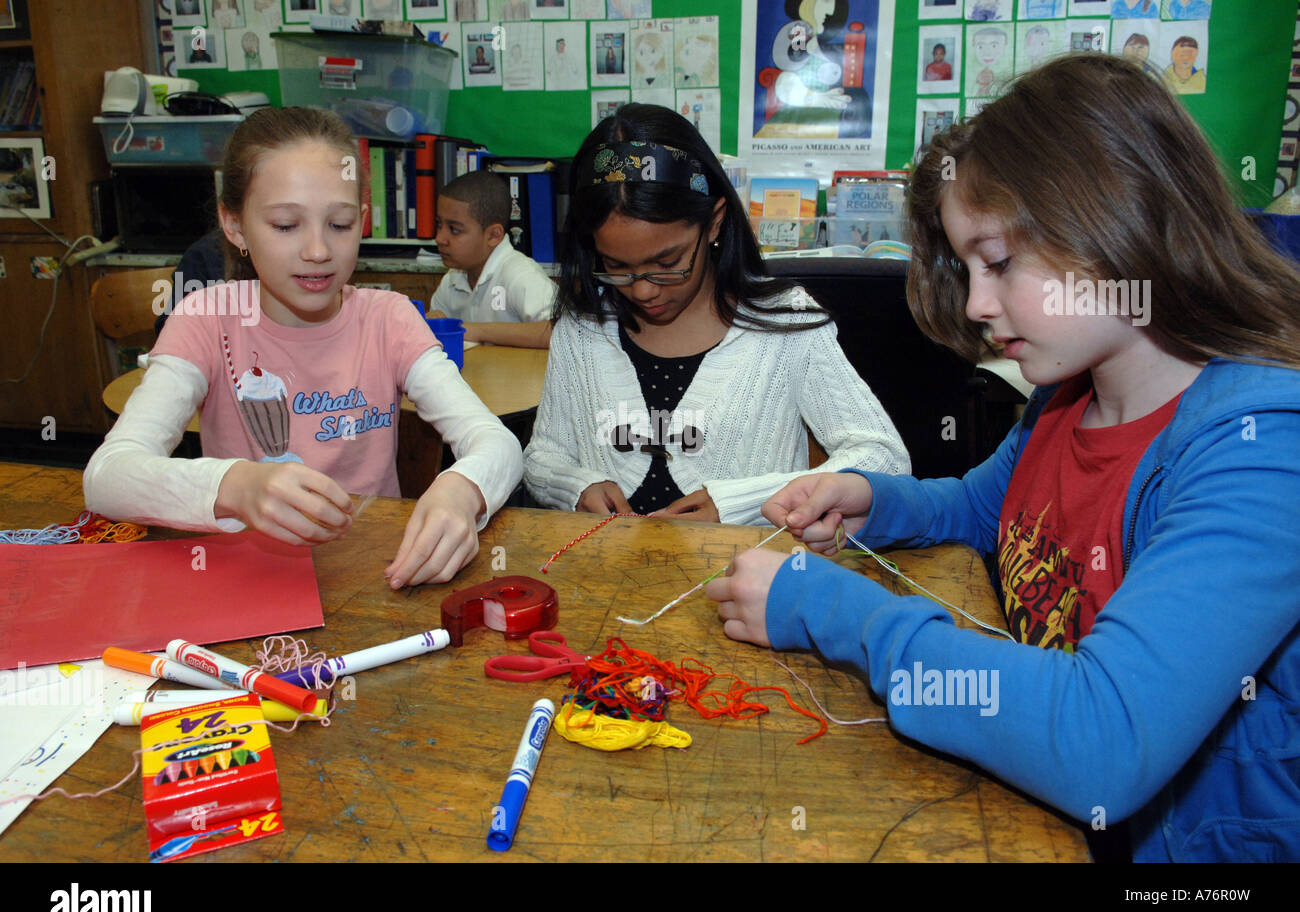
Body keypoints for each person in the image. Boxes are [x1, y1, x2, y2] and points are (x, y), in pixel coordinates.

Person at [706, 54, 1300, 862]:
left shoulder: (1263, 456)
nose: (981, 306)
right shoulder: (1070, 393)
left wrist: (831, 610)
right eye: (968, 269)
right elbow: (985, 508)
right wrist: (871, 499)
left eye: (1001, 262)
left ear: (1116, 216)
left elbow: (1104, 738)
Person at [84, 107, 523, 589]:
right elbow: (107, 476)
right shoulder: (206, 319)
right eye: (286, 225)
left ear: (363, 220)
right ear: (234, 225)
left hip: (372, 574)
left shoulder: (389, 318)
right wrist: (238, 486)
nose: (318, 250)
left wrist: (461, 491)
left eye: (339, 224)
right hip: (247, 584)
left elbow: (496, 442)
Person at [523, 104, 908, 524]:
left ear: (714, 224)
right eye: (617, 266)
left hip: (747, 579)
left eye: (668, 262)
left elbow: (882, 459)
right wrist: (576, 487)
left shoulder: (787, 323)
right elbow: (544, 454)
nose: (643, 289)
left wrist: (744, 503)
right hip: (614, 578)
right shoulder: (584, 329)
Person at [428, 170, 556, 349]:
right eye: (439, 224)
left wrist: (473, 331)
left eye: (454, 229)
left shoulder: (520, 275)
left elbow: (557, 331)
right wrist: (434, 320)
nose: (440, 238)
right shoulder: (452, 278)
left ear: (493, 235)